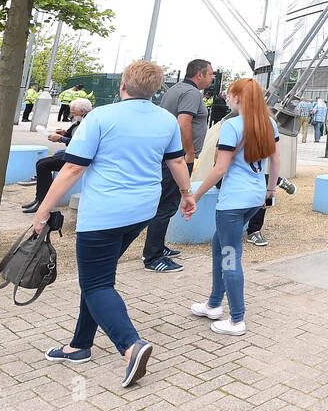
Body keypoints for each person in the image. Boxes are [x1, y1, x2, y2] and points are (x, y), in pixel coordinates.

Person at [31, 60, 195, 388]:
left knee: (96, 284)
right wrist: (187, 194)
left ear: (123, 85)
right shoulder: (165, 119)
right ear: (156, 90)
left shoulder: (101, 117)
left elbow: (73, 169)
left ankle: (131, 346)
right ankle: (79, 346)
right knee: (99, 280)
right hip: (141, 212)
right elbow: (177, 160)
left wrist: (42, 211)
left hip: (104, 214)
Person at [188, 78, 279, 336]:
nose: (227, 99)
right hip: (254, 197)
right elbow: (276, 160)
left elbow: (220, 168)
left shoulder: (232, 126)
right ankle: (214, 304)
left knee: (230, 256)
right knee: (220, 245)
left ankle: (237, 319)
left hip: (233, 202)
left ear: (238, 98)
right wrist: (270, 191)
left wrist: (195, 194)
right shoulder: (269, 123)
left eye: (229, 95)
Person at [143, 58, 213, 273]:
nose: (212, 78)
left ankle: (158, 247)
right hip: (178, 157)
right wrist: (188, 153)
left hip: (167, 154)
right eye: (210, 74)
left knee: (166, 202)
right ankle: (153, 257)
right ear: (199, 75)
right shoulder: (192, 94)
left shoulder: (175, 89)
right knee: (167, 205)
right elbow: (183, 122)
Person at [22, 98, 91, 212]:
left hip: (80, 156)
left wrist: (61, 139)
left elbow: (80, 142)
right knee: (41, 163)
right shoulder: (80, 120)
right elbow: (72, 134)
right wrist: (64, 133)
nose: (71, 114)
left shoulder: (88, 122)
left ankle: (43, 201)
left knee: (43, 166)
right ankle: (39, 198)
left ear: (82, 111)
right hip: (73, 152)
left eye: (73, 112)